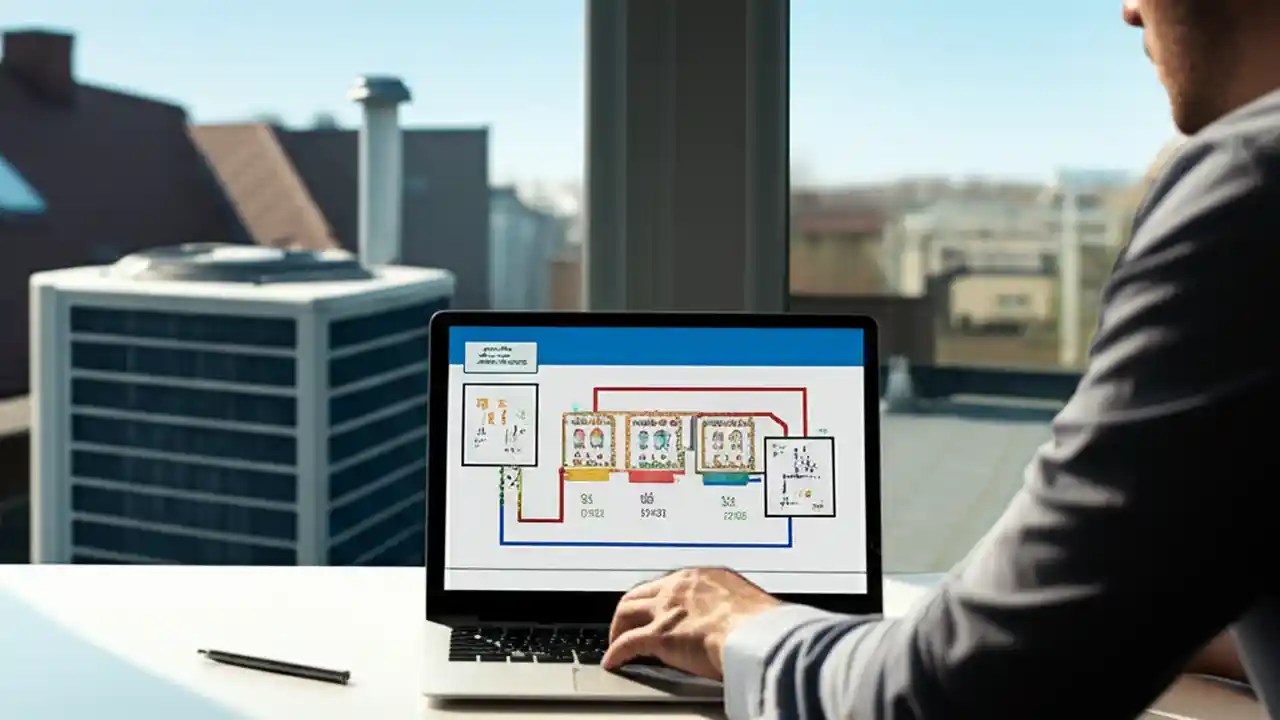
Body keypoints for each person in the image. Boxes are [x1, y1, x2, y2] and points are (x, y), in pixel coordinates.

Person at [602, 1, 1280, 717]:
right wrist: (1123, 616)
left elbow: (960, 693)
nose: (1130, 10)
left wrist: (739, 626)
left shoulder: (1253, 190)